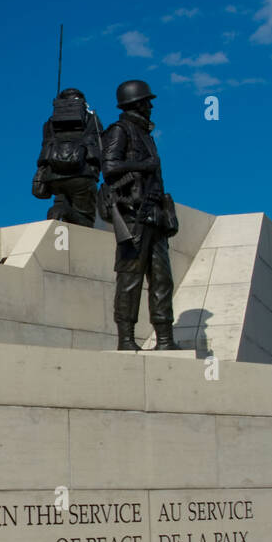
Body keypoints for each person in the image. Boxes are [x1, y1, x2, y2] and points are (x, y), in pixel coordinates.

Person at [101, 79, 178, 350]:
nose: (151, 105)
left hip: (154, 214)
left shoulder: (145, 134)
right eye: (147, 101)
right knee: (130, 279)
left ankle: (165, 339)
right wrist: (144, 164)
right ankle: (126, 340)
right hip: (133, 215)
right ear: (136, 104)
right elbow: (109, 167)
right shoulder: (120, 131)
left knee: (162, 279)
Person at [32, 88, 102, 227]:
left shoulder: (50, 122)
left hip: (54, 178)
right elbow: (100, 145)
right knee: (86, 220)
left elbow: (45, 147)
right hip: (82, 176)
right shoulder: (91, 118)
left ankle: (59, 209)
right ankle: (63, 210)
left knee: (62, 204)